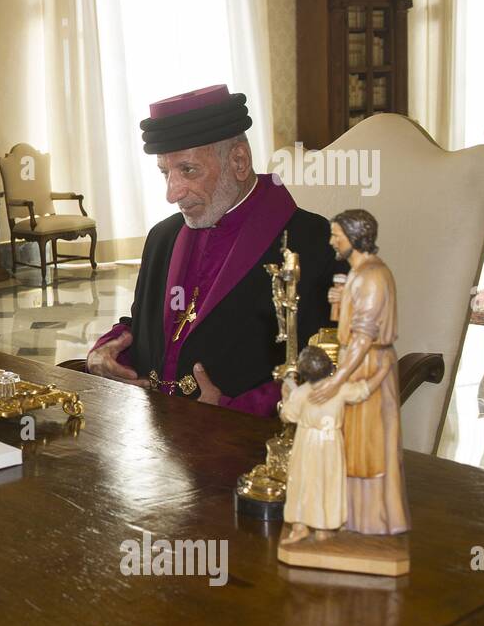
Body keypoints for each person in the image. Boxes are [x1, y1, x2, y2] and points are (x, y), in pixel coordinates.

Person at [84, 84, 341, 416]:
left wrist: (230, 411)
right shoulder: (163, 237)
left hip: (251, 449)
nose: (172, 193)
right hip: (155, 435)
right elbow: (147, 328)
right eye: (166, 173)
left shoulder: (311, 241)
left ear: (239, 161)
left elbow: (329, 362)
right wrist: (105, 353)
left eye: (188, 170)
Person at [312, 209, 409, 535]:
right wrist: (344, 303)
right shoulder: (358, 274)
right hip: (358, 362)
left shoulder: (371, 277)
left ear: (354, 238)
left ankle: (371, 521)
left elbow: (364, 338)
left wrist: (336, 381)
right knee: (352, 448)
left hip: (368, 367)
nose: (331, 242)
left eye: (336, 236)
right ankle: (351, 517)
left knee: (369, 451)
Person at [279, 346, 375, 546]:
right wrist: (380, 375)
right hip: (330, 442)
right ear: (328, 367)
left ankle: (301, 526)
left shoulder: (302, 393)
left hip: (306, 441)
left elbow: (288, 415)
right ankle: (324, 526)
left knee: (304, 482)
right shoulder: (339, 388)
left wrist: (286, 396)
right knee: (327, 482)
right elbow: (362, 391)